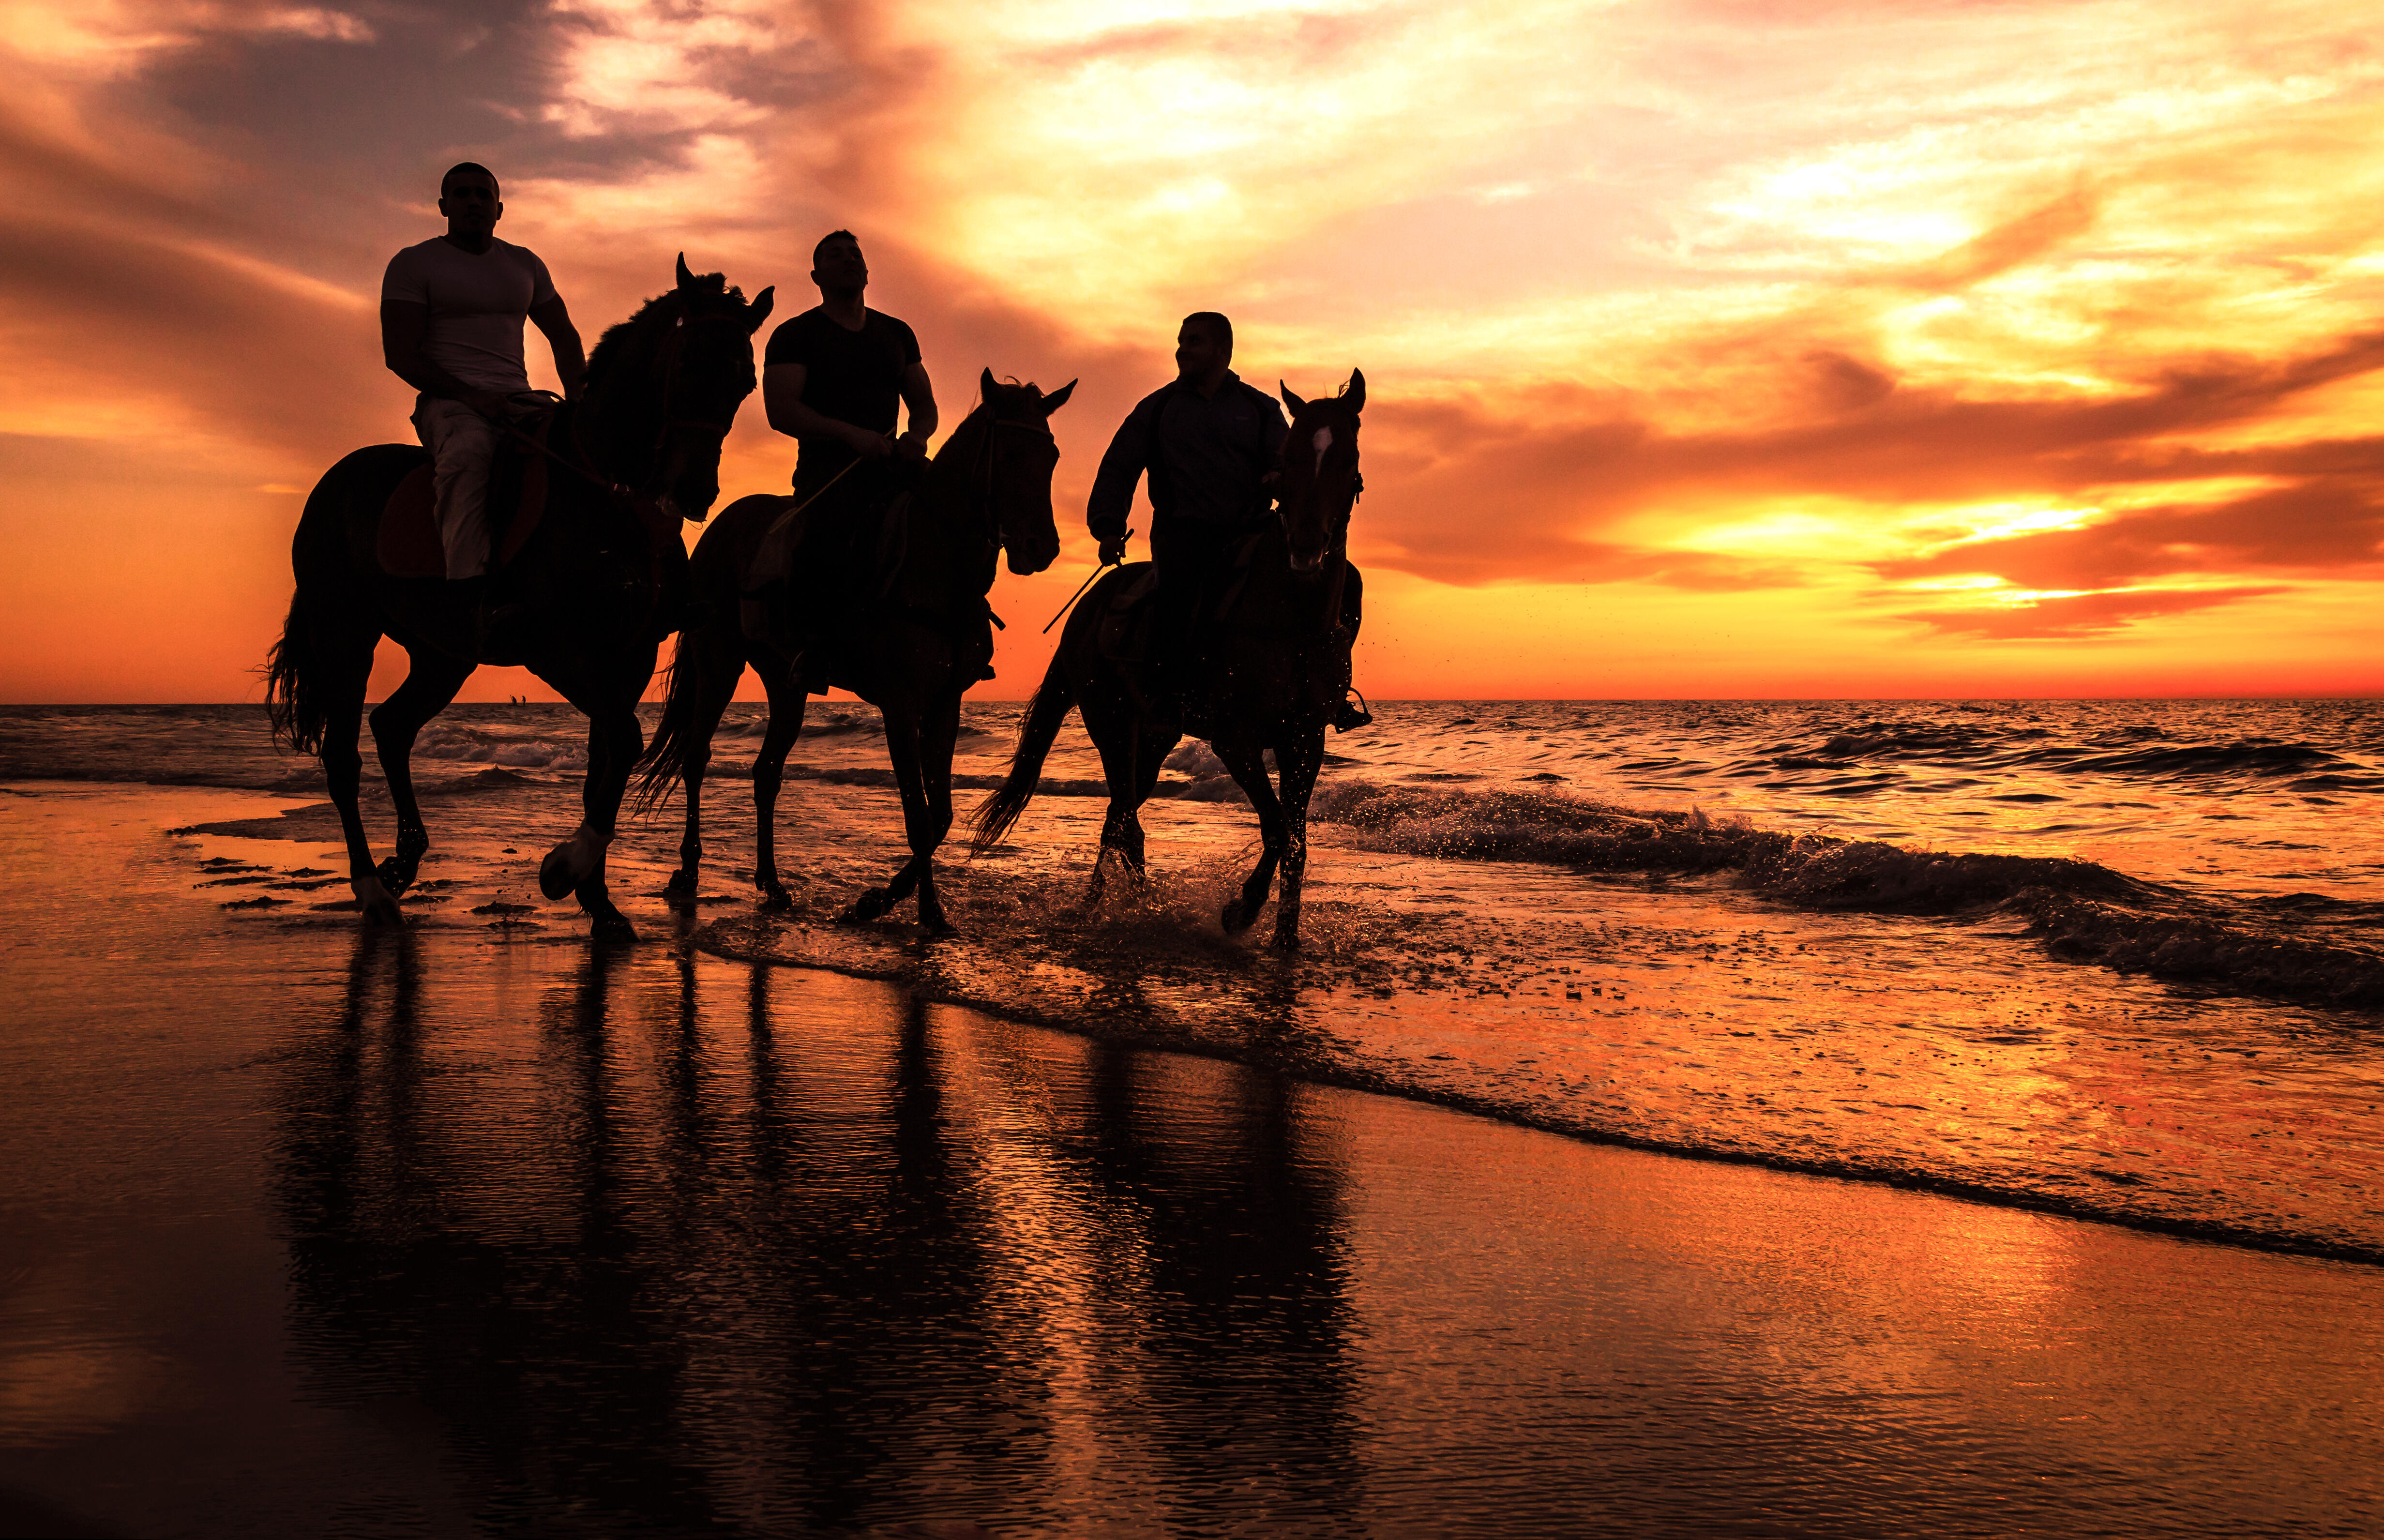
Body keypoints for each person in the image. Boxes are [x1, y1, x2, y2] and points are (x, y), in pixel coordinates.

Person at [1087, 311, 1369, 730]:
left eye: (1194, 342)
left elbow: (1288, 459)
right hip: (1183, 535)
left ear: (1223, 350)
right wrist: (1108, 525)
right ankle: (1167, 696)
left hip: (1251, 533)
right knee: (1176, 597)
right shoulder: (1159, 408)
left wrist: (1282, 478)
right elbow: (1119, 465)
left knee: (1346, 580)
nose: (1182, 350)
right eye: (1181, 342)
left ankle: (1329, 690)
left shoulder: (1259, 407)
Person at [379, 163, 584, 640]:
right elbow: (400, 355)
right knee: (469, 457)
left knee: (584, 455)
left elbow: (565, 337)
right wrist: (472, 396)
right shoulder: (414, 264)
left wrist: (579, 402)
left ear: (500, 209)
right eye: (462, 194)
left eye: (483, 195)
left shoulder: (526, 265)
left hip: (521, 396)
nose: (473, 202)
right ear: (443, 207)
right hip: (448, 404)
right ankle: (471, 597)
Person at [753, 230, 937, 659]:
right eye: (835, 256)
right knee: (824, 541)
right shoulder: (795, 334)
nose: (849, 260)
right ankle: (810, 650)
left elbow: (924, 406)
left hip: (894, 468)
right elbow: (781, 412)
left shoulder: (897, 334)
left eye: (855, 255)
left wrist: (918, 436)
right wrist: (851, 435)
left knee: (956, 517)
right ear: (816, 276)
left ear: (868, 273)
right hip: (829, 474)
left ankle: (961, 631)